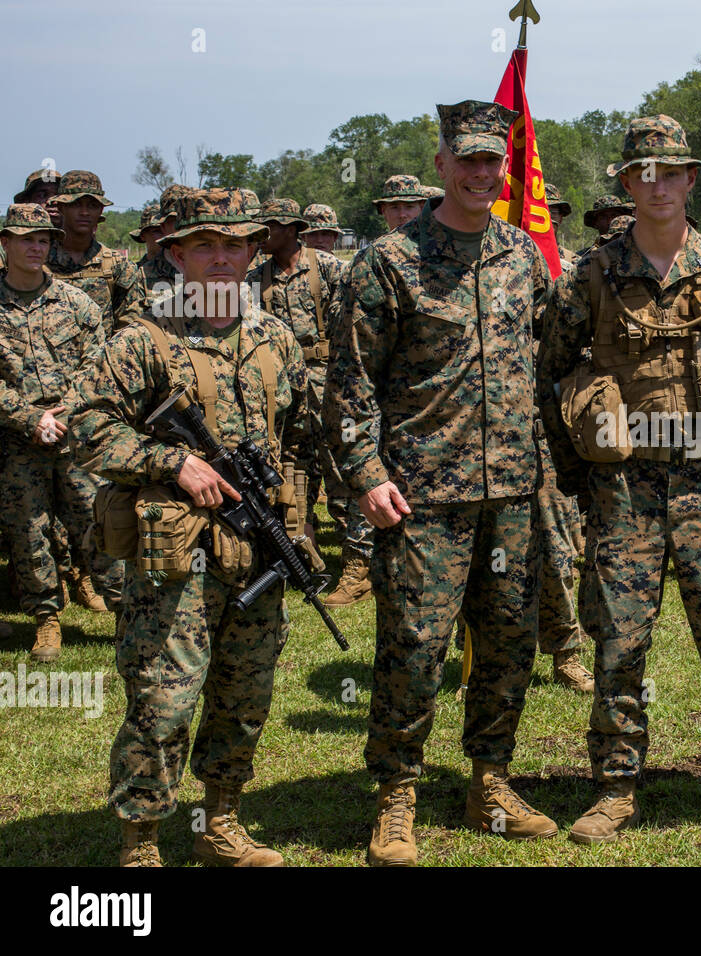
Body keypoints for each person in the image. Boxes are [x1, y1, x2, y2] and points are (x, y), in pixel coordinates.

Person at [538, 113, 701, 844]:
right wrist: (577, 469)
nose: (658, 185)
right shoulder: (592, 275)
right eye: (643, 174)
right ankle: (616, 788)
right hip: (623, 486)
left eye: (672, 172)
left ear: (690, 180)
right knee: (621, 642)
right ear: (627, 182)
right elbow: (551, 370)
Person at [327, 100, 560, 864]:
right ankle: (397, 795)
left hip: (513, 495)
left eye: (492, 160)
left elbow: (544, 357)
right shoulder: (389, 261)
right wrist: (365, 473)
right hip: (421, 496)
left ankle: (489, 780)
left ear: (506, 167)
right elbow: (350, 382)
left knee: (506, 643)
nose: (479, 171)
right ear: (441, 166)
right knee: (414, 648)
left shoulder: (522, 257)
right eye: (466, 159)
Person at [70, 187, 309, 867]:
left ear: (254, 250)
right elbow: (88, 428)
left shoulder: (275, 339)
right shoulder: (143, 339)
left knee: (244, 692)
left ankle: (219, 822)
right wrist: (171, 461)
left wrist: (292, 521)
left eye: (236, 245)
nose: (223, 258)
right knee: (163, 698)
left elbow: (291, 439)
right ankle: (141, 841)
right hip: (173, 556)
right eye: (206, 244)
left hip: (255, 547)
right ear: (175, 254)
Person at [0, 204, 115, 659]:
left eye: (43, 240)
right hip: (17, 440)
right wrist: (31, 418)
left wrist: (66, 411)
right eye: (26, 239)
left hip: (76, 435)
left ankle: (125, 609)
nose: (36, 247)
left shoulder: (76, 303)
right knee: (29, 530)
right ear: (5, 243)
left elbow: (98, 362)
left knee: (97, 520)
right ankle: (46, 618)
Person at [248, 198, 345, 567]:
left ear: (290, 229)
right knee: (292, 465)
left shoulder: (329, 269)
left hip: (326, 379)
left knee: (339, 462)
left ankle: (357, 559)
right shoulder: (255, 280)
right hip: (281, 386)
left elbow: (352, 327)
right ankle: (300, 544)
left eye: (270, 226)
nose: (262, 234)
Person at [47, 170, 146, 330]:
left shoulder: (118, 266)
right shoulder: (38, 261)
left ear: (101, 210)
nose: (84, 212)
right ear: (61, 207)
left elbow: (130, 326)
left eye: (92, 205)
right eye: (76, 204)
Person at [545, 183, 578, 264]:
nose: (548, 218)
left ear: (561, 219)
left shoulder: (572, 260)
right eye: (542, 212)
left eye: (553, 213)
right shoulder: (519, 254)